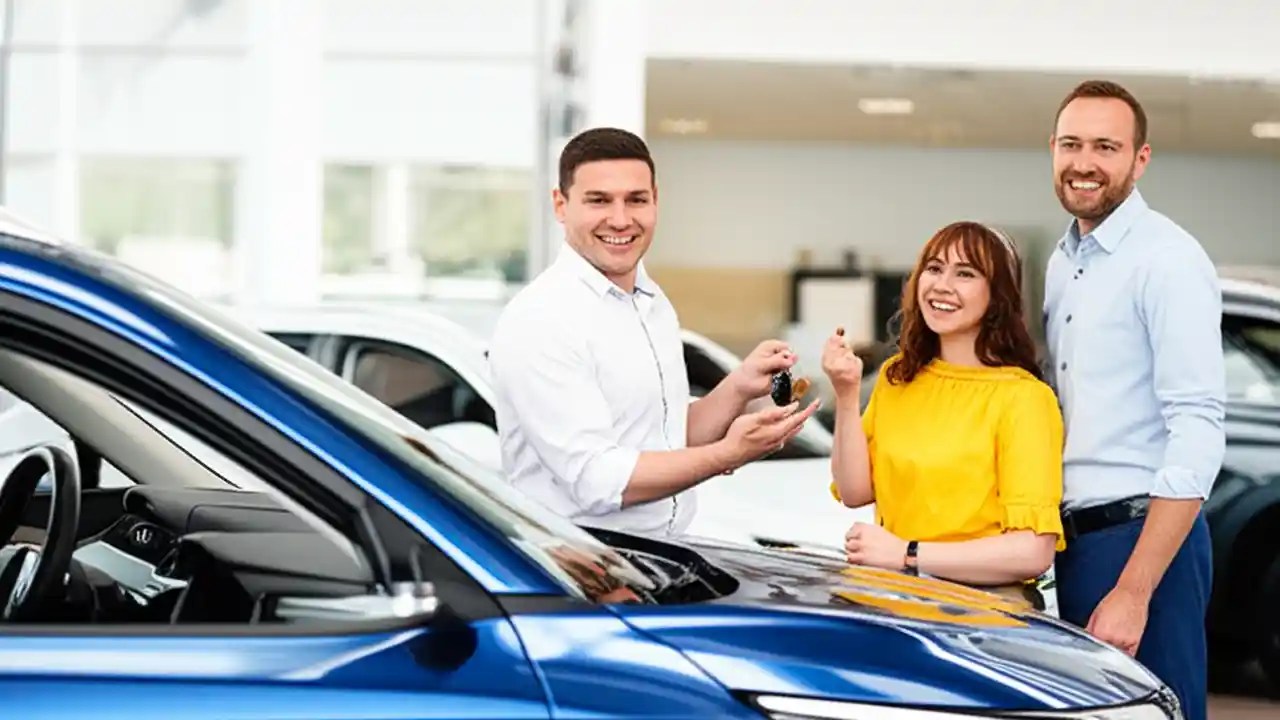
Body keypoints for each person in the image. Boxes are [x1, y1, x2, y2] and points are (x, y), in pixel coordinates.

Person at [487, 127, 819, 537]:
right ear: (560, 204)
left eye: (636, 200)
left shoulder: (651, 302)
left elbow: (666, 437)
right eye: (599, 200)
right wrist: (727, 454)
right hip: (580, 566)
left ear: (656, 201)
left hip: (659, 553)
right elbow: (597, 479)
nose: (621, 219)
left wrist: (738, 388)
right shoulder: (541, 319)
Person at [1043, 80, 1224, 720]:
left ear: (1139, 159)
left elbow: (1198, 427)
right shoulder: (1066, 261)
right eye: (1071, 144)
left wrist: (1135, 587)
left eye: (1105, 146)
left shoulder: (1166, 260)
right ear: (1052, 150)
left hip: (1143, 542)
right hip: (1074, 542)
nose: (1084, 161)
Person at [823, 221, 1065, 601]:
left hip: (977, 617)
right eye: (934, 269)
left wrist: (907, 554)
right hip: (891, 600)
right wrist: (847, 393)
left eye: (965, 273)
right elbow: (855, 491)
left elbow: (1032, 551)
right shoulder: (898, 376)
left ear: (997, 296)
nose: (942, 285)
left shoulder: (1024, 399)